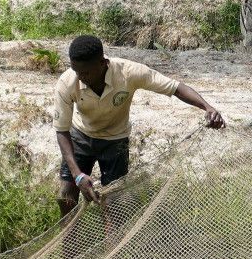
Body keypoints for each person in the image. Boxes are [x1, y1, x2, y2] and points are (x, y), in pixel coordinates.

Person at [54, 35, 225, 216]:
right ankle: (68, 243)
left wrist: (207, 107)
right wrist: (78, 175)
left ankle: (113, 244)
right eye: (76, 70)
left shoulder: (129, 72)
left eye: (86, 72)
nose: (80, 77)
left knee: (114, 203)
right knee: (66, 195)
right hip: (81, 135)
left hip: (115, 139)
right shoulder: (67, 82)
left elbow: (175, 87)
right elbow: (62, 130)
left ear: (103, 63)